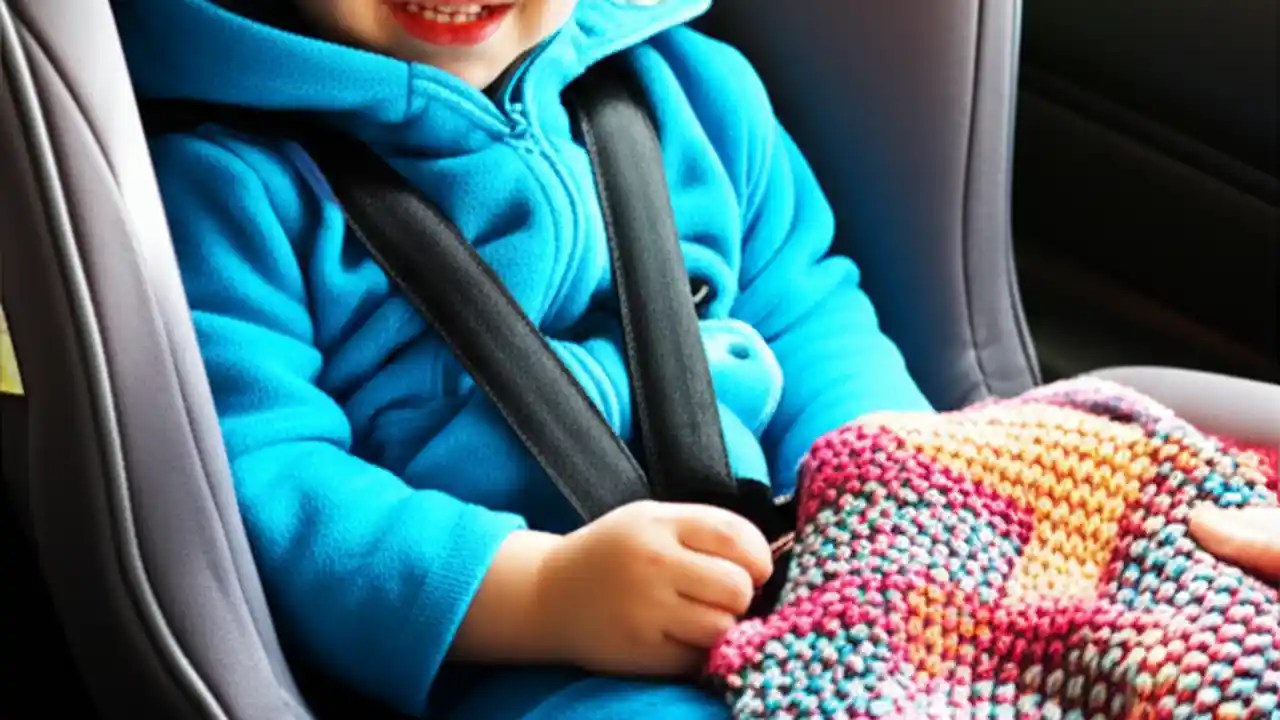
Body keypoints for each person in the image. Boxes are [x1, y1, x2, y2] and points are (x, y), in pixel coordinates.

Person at [111, 0, 1280, 717]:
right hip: (545, 665)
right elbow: (264, 487)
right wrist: (535, 597)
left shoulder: (690, 93)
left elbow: (805, 303)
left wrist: (887, 475)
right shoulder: (224, 185)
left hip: (831, 573)